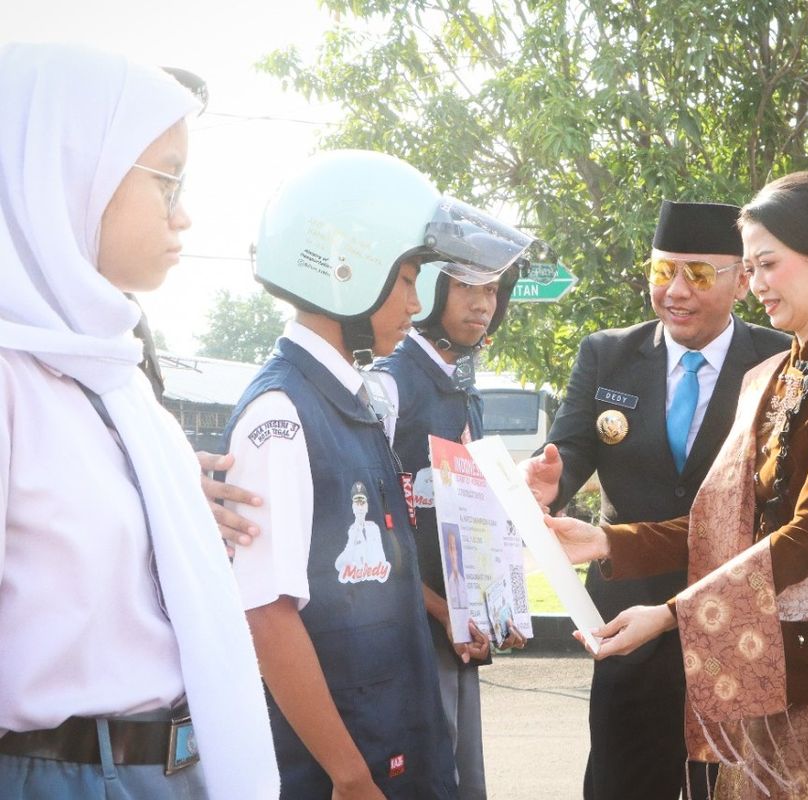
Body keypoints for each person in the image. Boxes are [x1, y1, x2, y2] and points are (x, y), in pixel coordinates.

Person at [540, 179, 808, 799]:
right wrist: (604, 542)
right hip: (762, 662)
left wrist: (669, 615)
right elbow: (723, 523)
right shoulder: (776, 371)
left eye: (768, 265)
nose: (761, 284)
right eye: (752, 267)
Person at [0, 43, 277, 799]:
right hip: (57, 773)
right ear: (64, 175)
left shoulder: (118, 385)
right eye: (168, 178)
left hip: (172, 767)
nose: (185, 213)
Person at [221, 149, 537, 799]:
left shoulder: (353, 401)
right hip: (350, 772)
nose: (417, 302)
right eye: (408, 278)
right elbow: (268, 617)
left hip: (398, 749)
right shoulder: (282, 414)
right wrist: (349, 775)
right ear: (348, 271)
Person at [522, 200, 790, 800]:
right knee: (623, 778)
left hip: (733, 611)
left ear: (742, 279)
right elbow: (568, 450)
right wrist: (549, 482)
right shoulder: (608, 353)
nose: (675, 291)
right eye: (662, 271)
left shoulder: (780, 359)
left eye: (697, 274)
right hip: (624, 609)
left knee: (722, 781)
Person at [373, 248, 533, 800]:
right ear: (436, 287)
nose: (482, 304)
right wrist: (443, 611)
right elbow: (379, 527)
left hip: (455, 634)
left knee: (460, 780)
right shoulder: (390, 386)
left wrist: (495, 608)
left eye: (492, 291)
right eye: (467, 286)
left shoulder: (463, 389)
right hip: (410, 633)